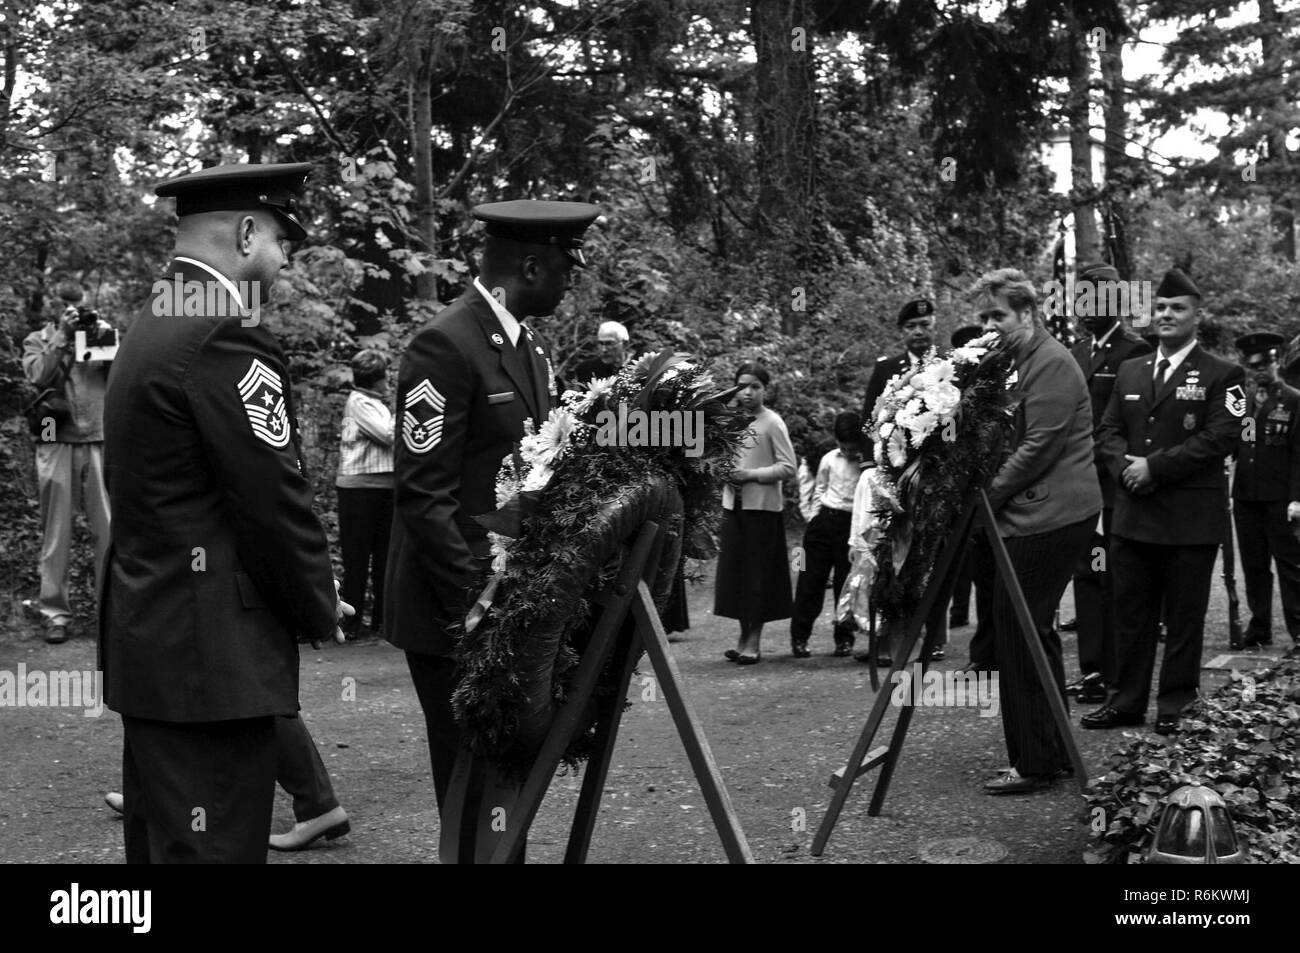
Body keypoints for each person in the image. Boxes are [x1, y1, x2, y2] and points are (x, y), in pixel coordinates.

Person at [101, 163, 351, 863]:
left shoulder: (155, 317)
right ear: (245, 233)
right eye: (279, 239)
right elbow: (271, 498)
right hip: (210, 658)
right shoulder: (221, 332)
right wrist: (318, 603)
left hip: (154, 639)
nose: (282, 259)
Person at [385, 199, 599, 858]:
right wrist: (480, 609)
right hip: (455, 612)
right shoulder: (444, 344)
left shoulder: (527, 348)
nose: (572, 281)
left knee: (508, 775)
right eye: (568, 267)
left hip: (508, 606)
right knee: (471, 782)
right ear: (532, 264)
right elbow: (424, 497)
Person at [1083, 268, 1245, 736]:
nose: (1167, 315)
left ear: (1197, 315)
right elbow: (1107, 431)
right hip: (1134, 514)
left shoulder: (1223, 374)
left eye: (1177, 308)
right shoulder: (1132, 369)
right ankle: (1125, 701)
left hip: (1189, 519)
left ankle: (1176, 703)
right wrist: (1124, 468)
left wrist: (1154, 466)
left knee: (1183, 618)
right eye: (1160, 308)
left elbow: (1222, 437)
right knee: (1130, 615)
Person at [969, 269, 1101, 795]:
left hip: (1051, 515)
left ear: (1028, 313)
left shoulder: (1050, 362)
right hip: (1035, 513)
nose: (990, 325)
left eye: (998, 315)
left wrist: (984, 496)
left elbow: (1038, 446)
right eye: (984, 317)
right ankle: (1050, 751)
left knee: (1017, 630)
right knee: (1033, 629)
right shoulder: (1017, 360)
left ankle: (1035, 763)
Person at [1066, 262, 1152, 702]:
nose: (1086, 307)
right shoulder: (1078, 353)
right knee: (1088, 575)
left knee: (1120, 579)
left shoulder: (1135, 352)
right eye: (1081, 297)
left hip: (1118, 487)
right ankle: (1093, 670)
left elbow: (1134, 425)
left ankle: (1119, 672)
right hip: (1082, 486)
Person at [21, 284, 113, 644]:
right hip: (55, 440)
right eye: (69, 308)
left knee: (108, 533)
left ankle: (110, 610)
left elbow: (122, 379)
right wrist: (62, 337)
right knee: (56, 534)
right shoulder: (38, 339)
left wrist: (106, 341)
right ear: (57, 310)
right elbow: (37, 376)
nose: (77, 312)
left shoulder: (98, 335)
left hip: (98, 440)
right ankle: (55, 614)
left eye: (80, 307)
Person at [857, 298, 948, 662]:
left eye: (925, 325)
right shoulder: (886, 370)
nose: (919, 332)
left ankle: (934, 635)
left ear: (933, 327)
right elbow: (870, 420)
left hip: (935, 477)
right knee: (892, 551)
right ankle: (892, 631)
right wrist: (873, 465)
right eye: (912, 327)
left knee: (934, 551)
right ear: (902, 332)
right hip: (894, 474)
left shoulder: (948, 367)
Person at [716, 362, 797, 664]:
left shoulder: (772, 422)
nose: (747, 392)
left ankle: (755, 639)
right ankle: (741, 636)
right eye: (742, 386)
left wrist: (749, 475)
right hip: (733, 507)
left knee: (757, 576)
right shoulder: (729, 420)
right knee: (736, 575)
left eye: (755, 386)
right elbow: (722, 457)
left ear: (765, 389)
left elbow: (788, 467)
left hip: (761, 510)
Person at [1230, 331, 1300, 648]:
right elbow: (1239, 444)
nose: (1260, 371)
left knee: (1289, 565)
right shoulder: (1241, 402)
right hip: (1246, 494)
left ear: (1277, 362)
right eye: (1253, 366)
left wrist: (1297, 498)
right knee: (1254, 566)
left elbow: (1299, 454)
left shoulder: (1293, 400)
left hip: (1279, 496)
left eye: (1265, 364)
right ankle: (1259, 626)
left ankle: (1298, 627)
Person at [790, 412, 867, 658]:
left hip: (849, 526)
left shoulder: (865, 465)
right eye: (843, 447)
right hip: (824, 521)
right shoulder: (828, 460)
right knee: (809, 580)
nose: (847, 452)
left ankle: (844, 638)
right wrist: (813, 517)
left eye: (852, 448)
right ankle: (799, 636)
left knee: (846, 585)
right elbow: (819, 487)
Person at [337, 348, 395, 641]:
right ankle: (353, 622)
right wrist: (411, 417)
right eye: (385, 376)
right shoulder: (359, 403)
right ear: (376, 379)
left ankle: (381, 622)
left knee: (384, 557)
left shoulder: (376, 402)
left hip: (384, 488)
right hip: (358, 490)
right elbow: (388, 435)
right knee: (357, 559)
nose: (389, 381)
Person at [570, 320, 629, 386]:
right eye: (601, 343)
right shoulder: (586, 370)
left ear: (624, 344)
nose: (604, 349)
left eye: (609, 343)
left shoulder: (637, 368)